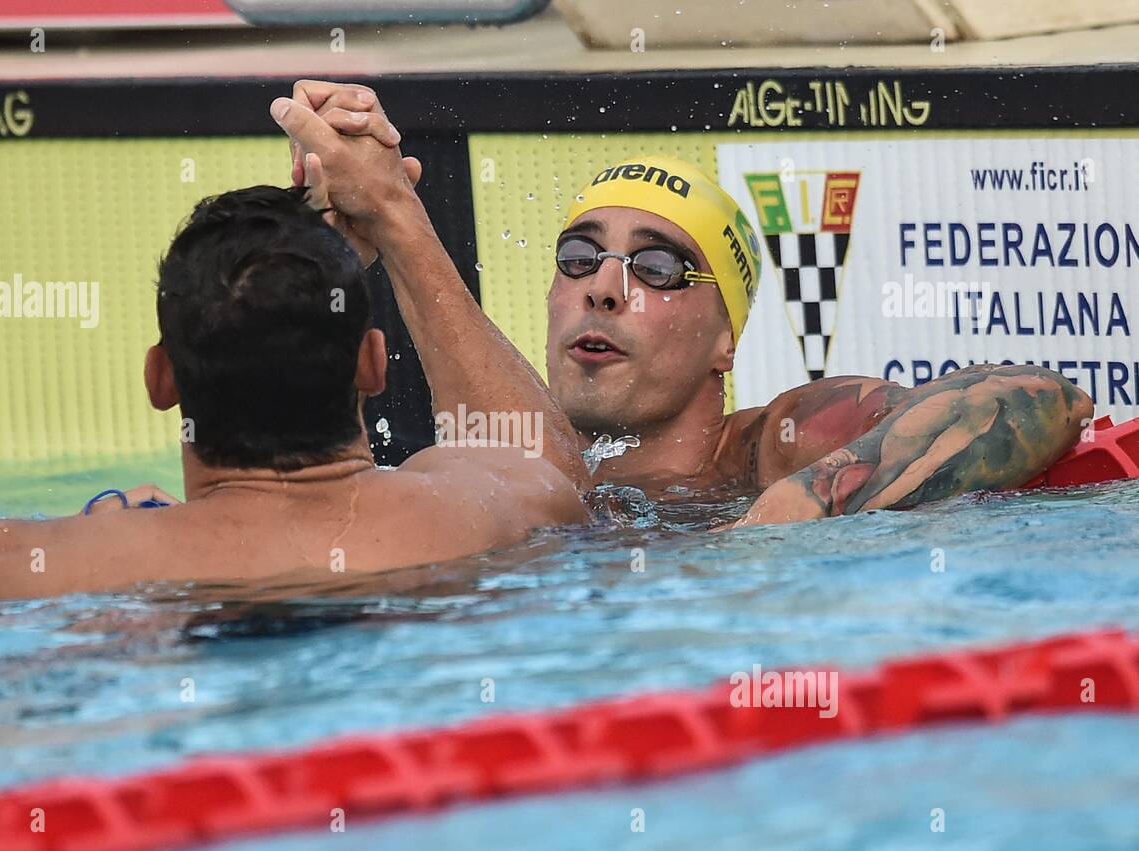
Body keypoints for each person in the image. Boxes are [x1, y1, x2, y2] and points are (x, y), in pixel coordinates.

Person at [272, 80, 1095, 528]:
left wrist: (793, 513)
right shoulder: (476, 474)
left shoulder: (769, 449)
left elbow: (1035, 398)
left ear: (724, 343)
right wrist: (328, 257)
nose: (604, 285)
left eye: (659, 267)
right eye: (579, 257)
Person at [0, 186, 587, 607]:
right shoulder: (491, 505)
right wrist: (397, 213)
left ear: (161, 380)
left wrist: (99, 531)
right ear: (372, 362)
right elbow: (549, 461)